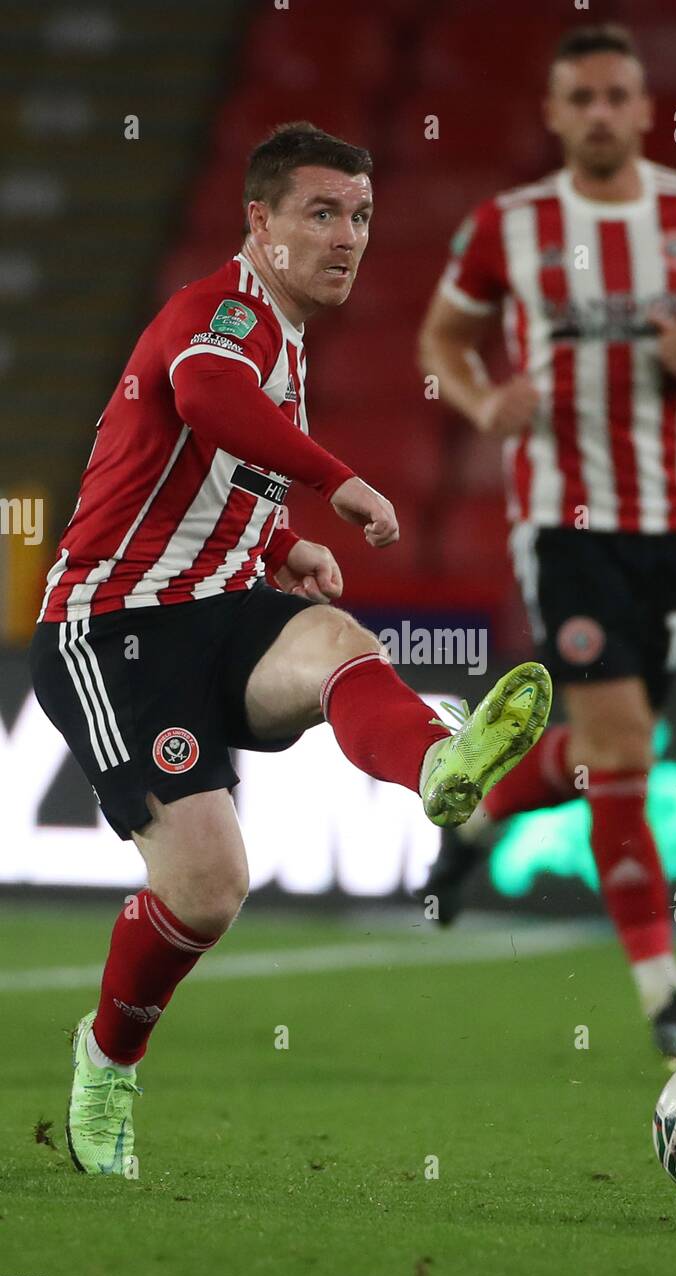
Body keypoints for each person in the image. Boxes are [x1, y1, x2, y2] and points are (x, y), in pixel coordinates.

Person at [29, 122, 552, 1174]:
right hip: (112, 632)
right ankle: (108, 1058)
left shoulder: (287, 341)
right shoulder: (225, 311)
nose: (346, 236)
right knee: (210, 888)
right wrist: (335, 480)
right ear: (259, 224)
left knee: (335, 641)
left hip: (217, 610)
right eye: (320, 212)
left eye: (360, 215)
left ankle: (438, 764)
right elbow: (206, 398)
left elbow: (199, 468)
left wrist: (281, 542)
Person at [418, 26, 676, 1061]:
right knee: (622, 746)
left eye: (613, 95)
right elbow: (439, 341)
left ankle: (479, 821)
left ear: (642, 109)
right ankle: (665, 996)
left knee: (597, 755)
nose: (595, 112)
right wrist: (483, 398)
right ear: (551, 113)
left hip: (669, 530)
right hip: (563, 525)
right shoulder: (510, 223)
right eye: (575, 96)